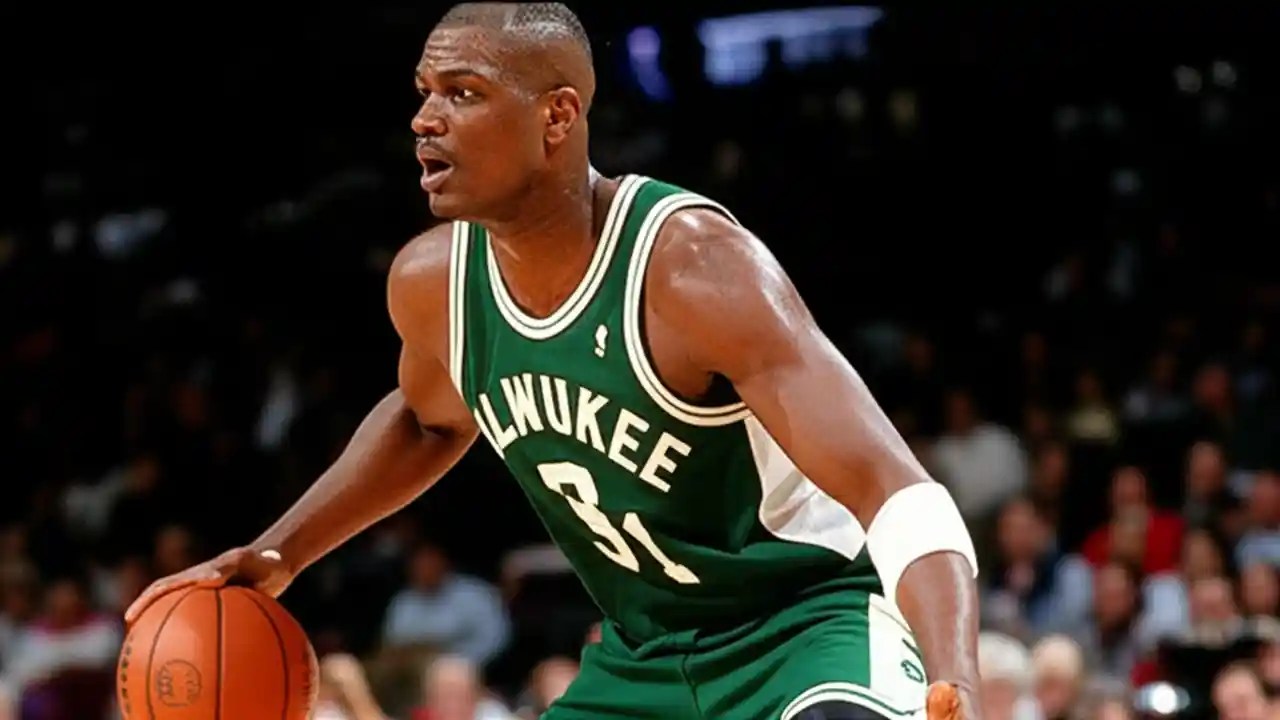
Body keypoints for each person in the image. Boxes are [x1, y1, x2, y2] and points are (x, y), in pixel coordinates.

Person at [126, 4, 981, 719]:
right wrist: (282, 551)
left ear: (558, 117)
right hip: (644, 658)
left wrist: (959, 678)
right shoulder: (434, 285)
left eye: (463, 94)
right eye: (424, 94)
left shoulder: (690, 269)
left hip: (804, 626)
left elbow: (896, 489)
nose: (426, 119)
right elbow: (426, 419)